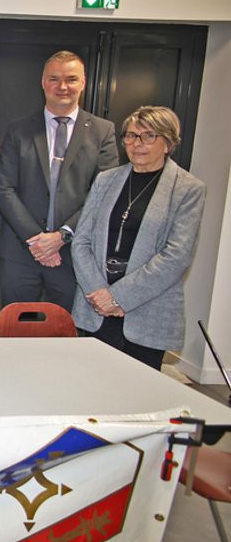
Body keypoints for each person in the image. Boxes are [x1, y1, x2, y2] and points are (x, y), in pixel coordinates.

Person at [71, 106, 205, 370]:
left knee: (137, 396)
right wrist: (99, 294)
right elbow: (81, 241)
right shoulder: (106, 180)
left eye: (148, 136)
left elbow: (175, 257)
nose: (137, 144)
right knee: (90, 386)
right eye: (131, 136)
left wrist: (118, 298)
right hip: (96, 306)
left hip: (146, 310)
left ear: (168, 142)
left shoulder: (188, 189)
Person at [0, 50, 119, 309]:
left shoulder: (102, 131)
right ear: (43, 83)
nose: (62, 87)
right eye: (54, 79)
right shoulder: (19, 129)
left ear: (83, 83)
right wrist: (37, 239)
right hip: (21, 253)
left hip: (73, 256)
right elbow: (3, 187)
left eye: (71, 79)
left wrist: (62, 236)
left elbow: (105, 194)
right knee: (14, 334)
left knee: (67, 337)